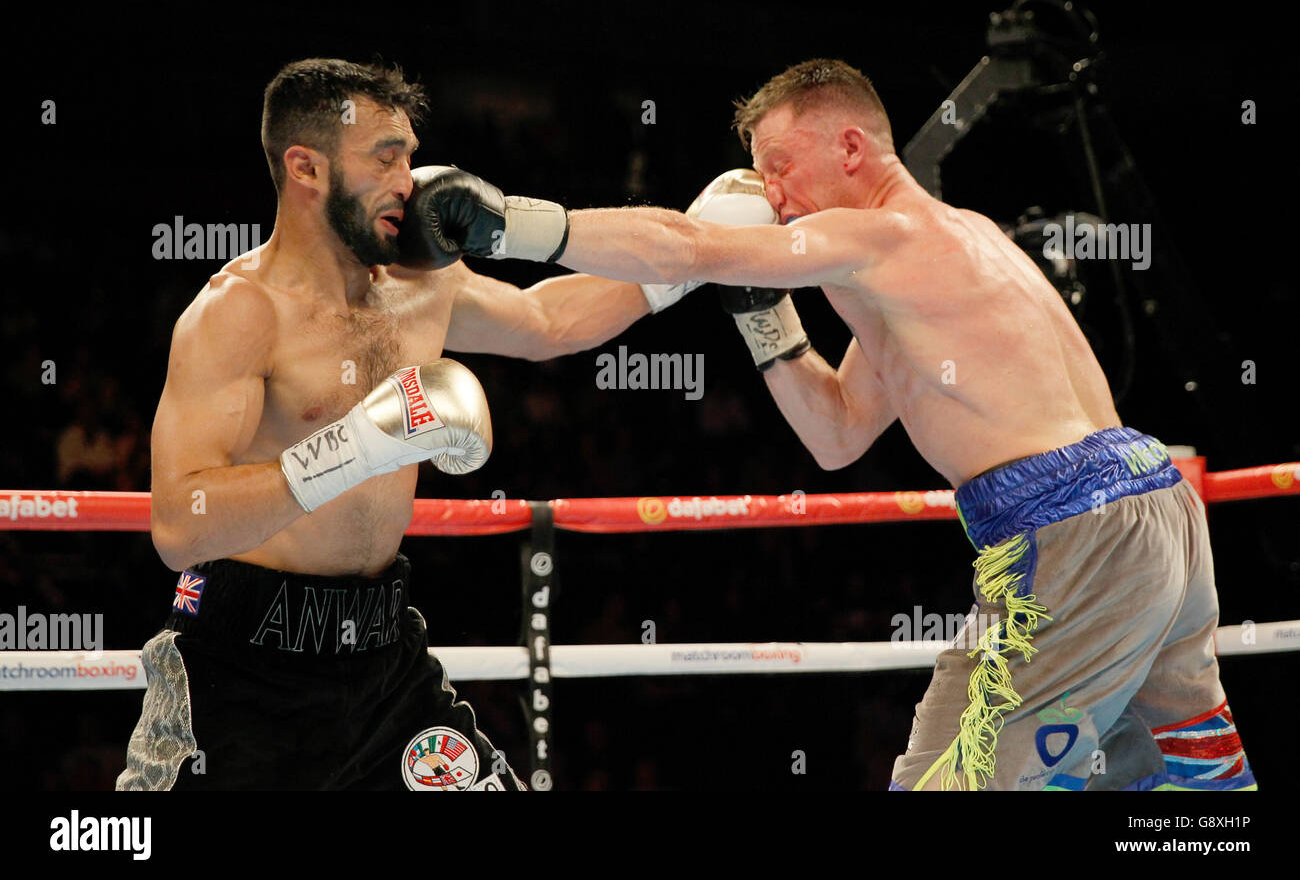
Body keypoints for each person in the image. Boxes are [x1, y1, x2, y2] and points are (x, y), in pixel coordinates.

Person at [405, 58, 1256, 791]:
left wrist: (508, 223)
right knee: (1192, 780)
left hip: (1076, 537)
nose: (770, 194)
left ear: (851, 147)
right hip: (1156, 517)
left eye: (779, 166)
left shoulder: (883, 236)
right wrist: (762, 309)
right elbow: (838, 431)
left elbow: (685, 248)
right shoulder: (947, 249)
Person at [117, 58, 693, 791]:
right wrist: (354, 448)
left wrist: (694, 258)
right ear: (306, 168)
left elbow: (551, 319)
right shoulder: (236, 313)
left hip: (385, 656)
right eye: (386, 158)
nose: (408, 182)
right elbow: (180, 526)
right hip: (244, 671)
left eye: (411, 158)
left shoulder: (422, 286)